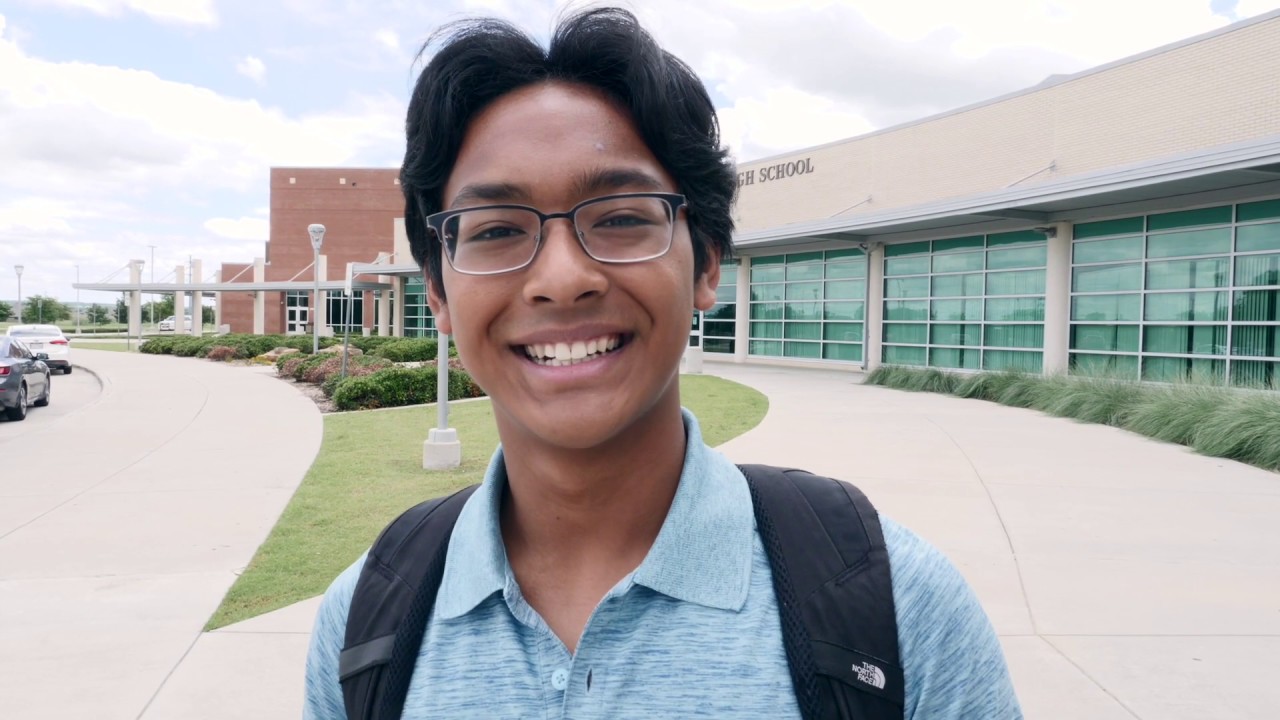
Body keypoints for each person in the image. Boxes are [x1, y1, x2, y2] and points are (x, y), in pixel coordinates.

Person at [304, 7, 1023, 718]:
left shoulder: (900, 608)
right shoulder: (365, 624)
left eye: (619, 217)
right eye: (495, 230)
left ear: (707, 262)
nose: (562, 277)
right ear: (438, 291)